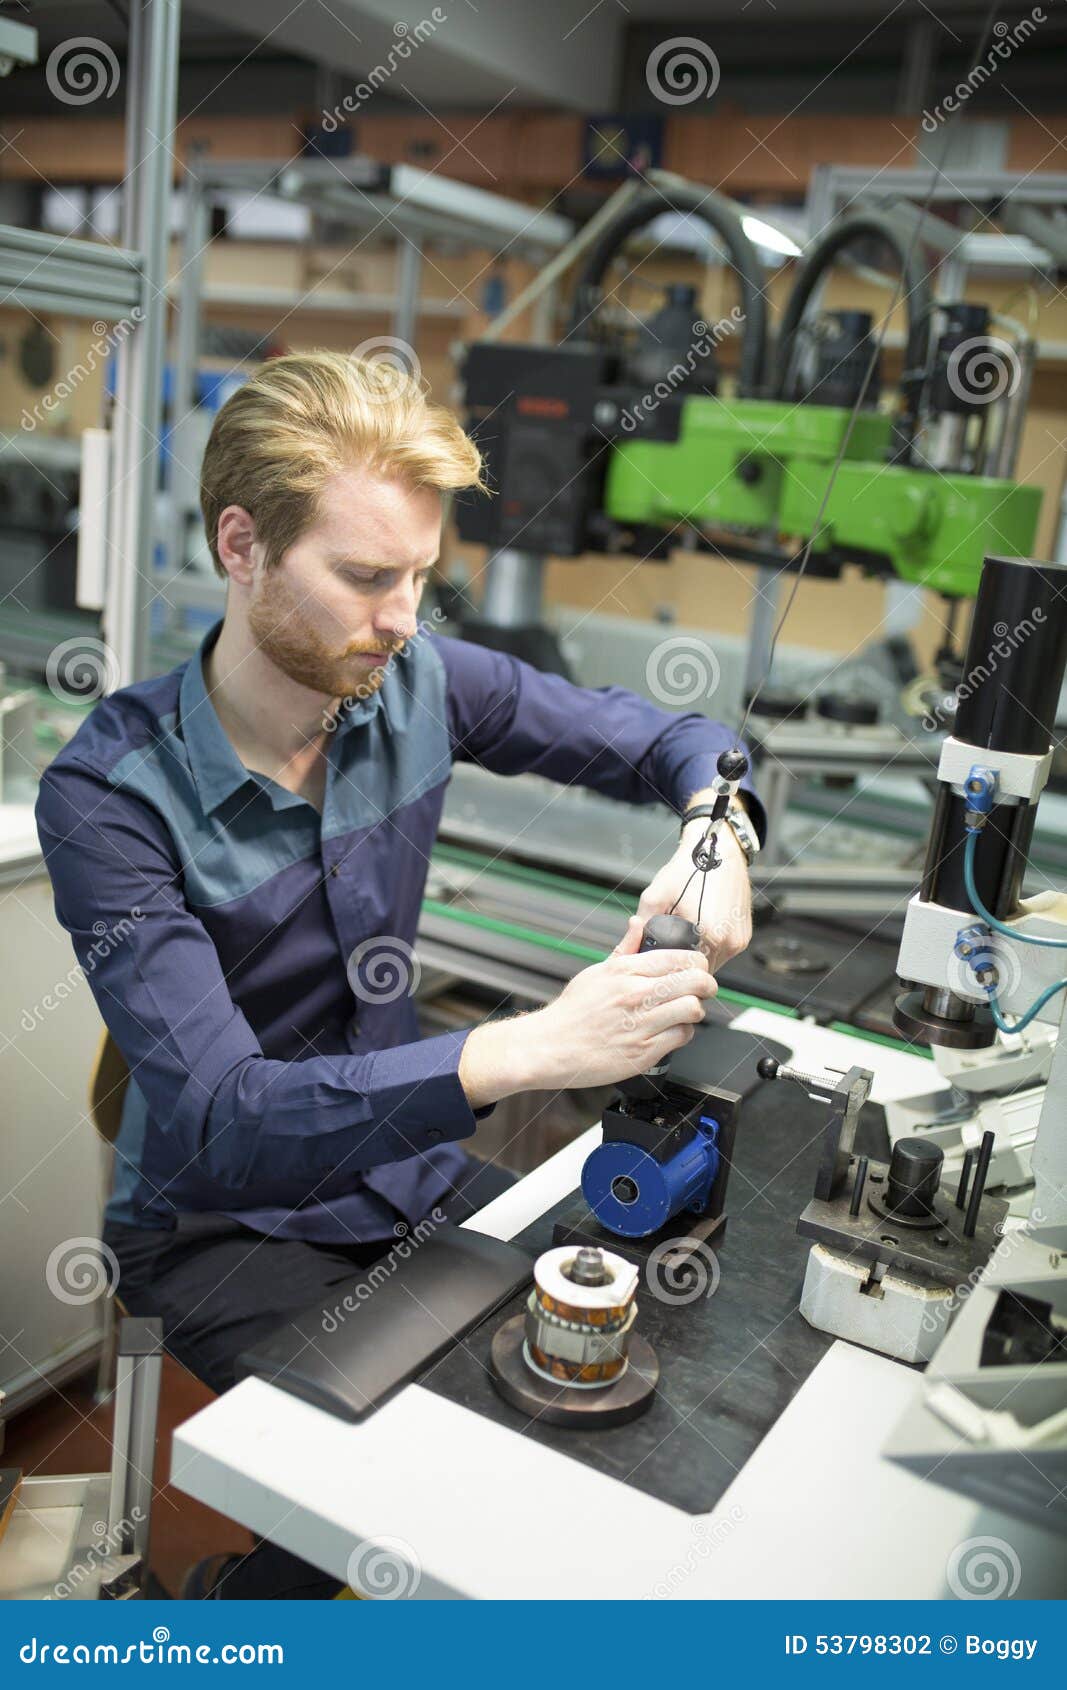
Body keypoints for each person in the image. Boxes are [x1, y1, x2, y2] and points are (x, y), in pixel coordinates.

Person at [36, 351, 764, 1598]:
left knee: (609, 1402)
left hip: (411, 1176)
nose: (403, 619)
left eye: (420, 576)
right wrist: (533, 1048)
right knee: (433, 1491)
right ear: (241, 545)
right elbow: (222, 1117)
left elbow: (667, 737)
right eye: (366, 577)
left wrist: (716, 832)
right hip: (224, 1226)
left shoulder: (414, 682)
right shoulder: (112, 799)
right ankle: (231, 1608)